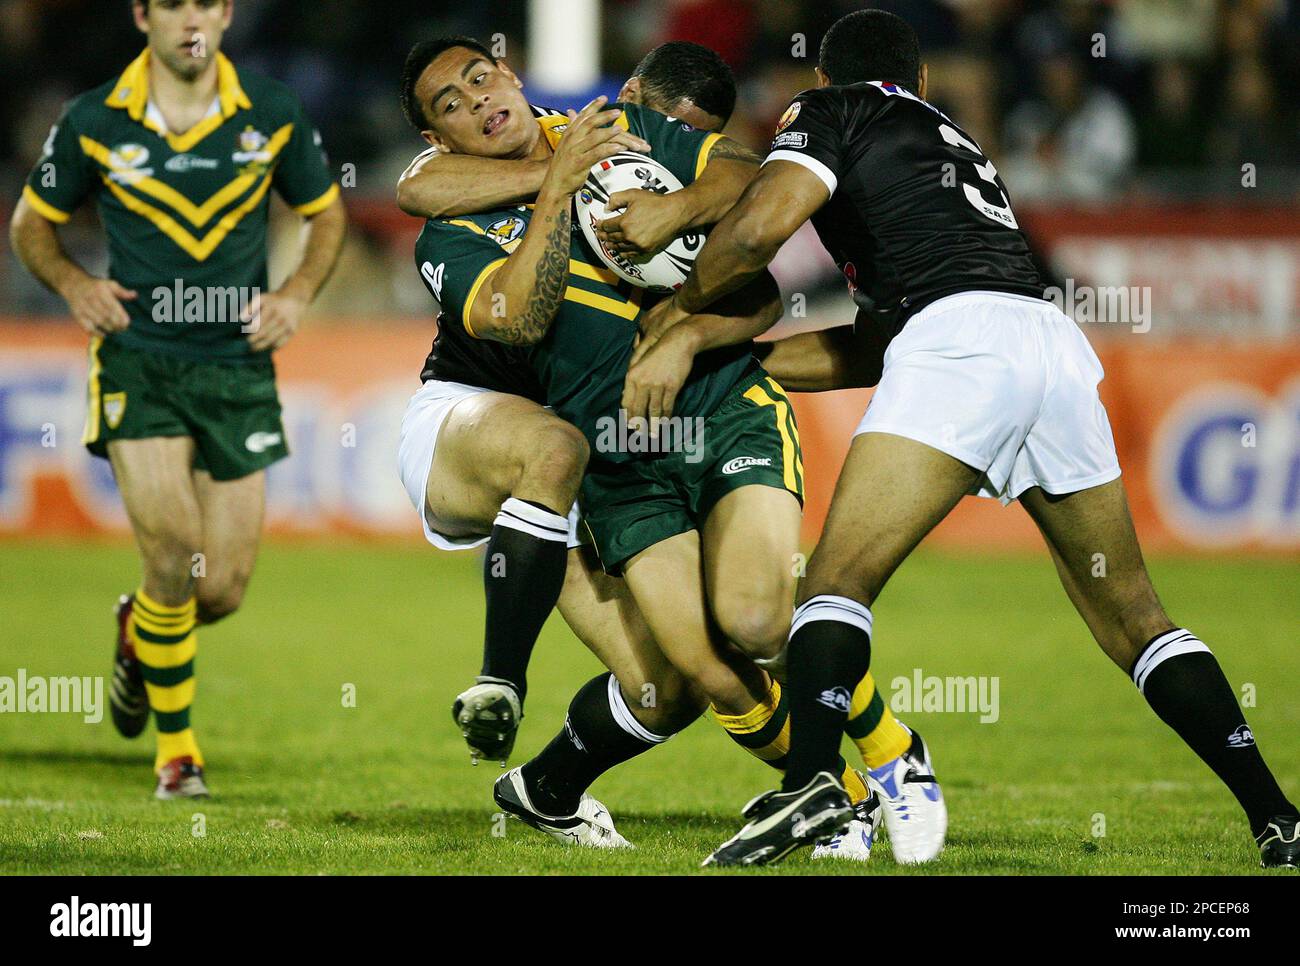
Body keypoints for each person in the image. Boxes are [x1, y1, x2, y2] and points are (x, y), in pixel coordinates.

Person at [637, 9, 1298, 870]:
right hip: (1047, 346)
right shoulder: (950, 146)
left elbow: (760, 230)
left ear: (830, 80)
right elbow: (877, 343)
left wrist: (680, 319)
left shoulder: (833, 112)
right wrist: (747, 362)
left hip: (961, 344)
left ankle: (810, 788)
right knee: (1136, 617)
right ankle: (1277, 817)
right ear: (918, 77)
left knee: (834, 584)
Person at [399, 38, 944, 862]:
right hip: (600, 453)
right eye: (451, 103)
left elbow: (747, 209)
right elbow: (515, 314)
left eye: (483, 77)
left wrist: (679, 245)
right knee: (690, 674)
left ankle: (883, 760)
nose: (476, 99)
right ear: (438, 136)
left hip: (720, 406)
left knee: (748, 626)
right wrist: (556, 188)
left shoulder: (622, 133)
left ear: (514, 75)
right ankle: (838, 799)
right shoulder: (450, 227)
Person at [8, 0, 346, 798]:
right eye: (172, 3)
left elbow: (325, 214)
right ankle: (179, 756)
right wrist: (75, 284)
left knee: (218, 587)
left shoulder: (272, 111)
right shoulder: (94, 119)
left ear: (226, 15)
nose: (189, 17)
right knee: (171, 552)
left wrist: (296, 293)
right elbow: (32, 223)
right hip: (141, 361)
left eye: (205, 1)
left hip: (237, 368)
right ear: (141, 15)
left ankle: (139, 635)